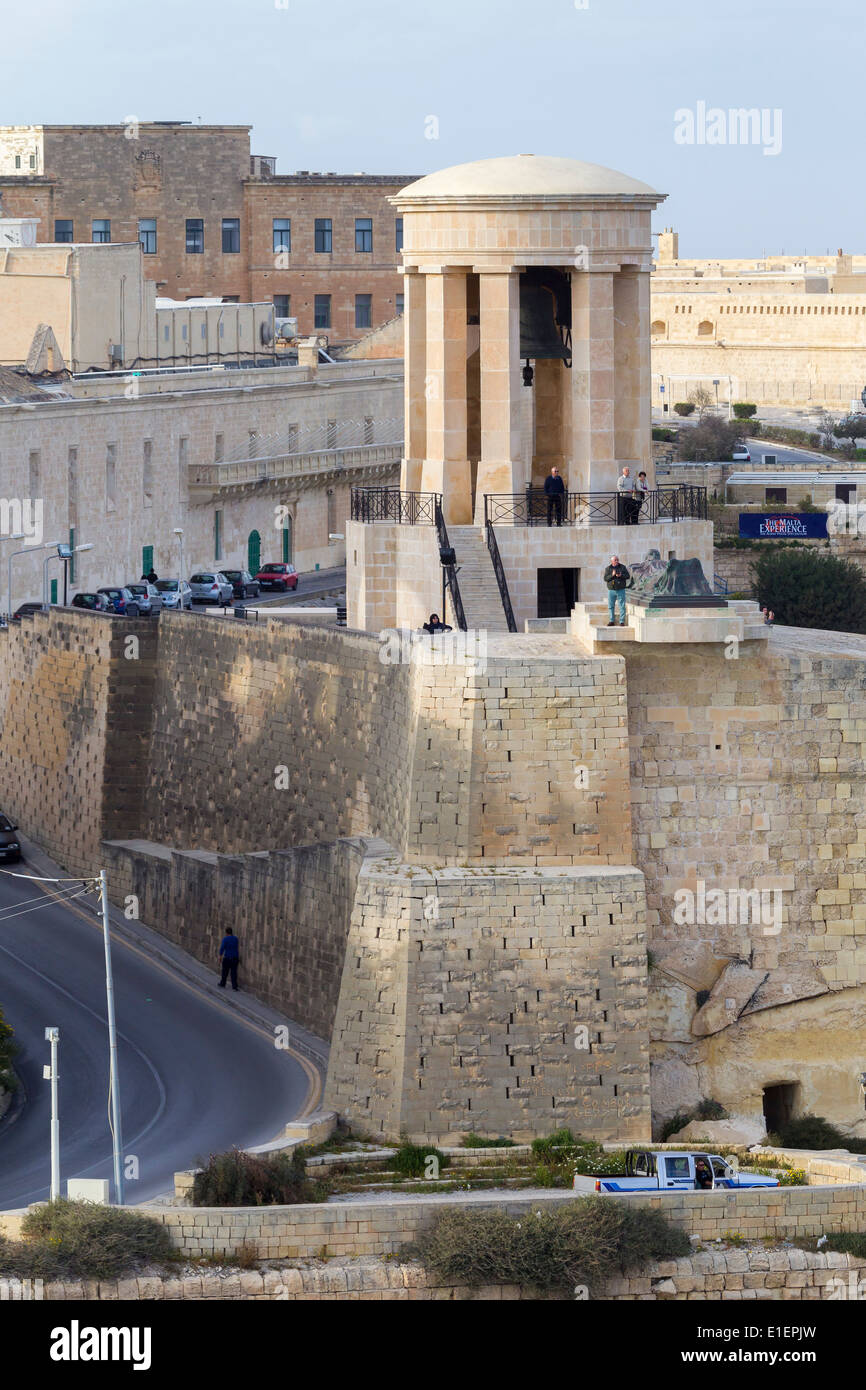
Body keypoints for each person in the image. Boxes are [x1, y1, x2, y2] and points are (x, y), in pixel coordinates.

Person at [603, 554, 630, 626]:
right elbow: (605, 579)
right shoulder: (608, 569)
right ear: (612, 561)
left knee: (622, 606)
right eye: (615, 560)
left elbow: (628, 576)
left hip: (621, 589)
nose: (617, 561)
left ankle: (622, 621)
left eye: (617, 560)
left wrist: (621, 575)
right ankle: (611, 621)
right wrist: (612, 575)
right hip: (611, 590)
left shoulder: (622, 567)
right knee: (611, 606)